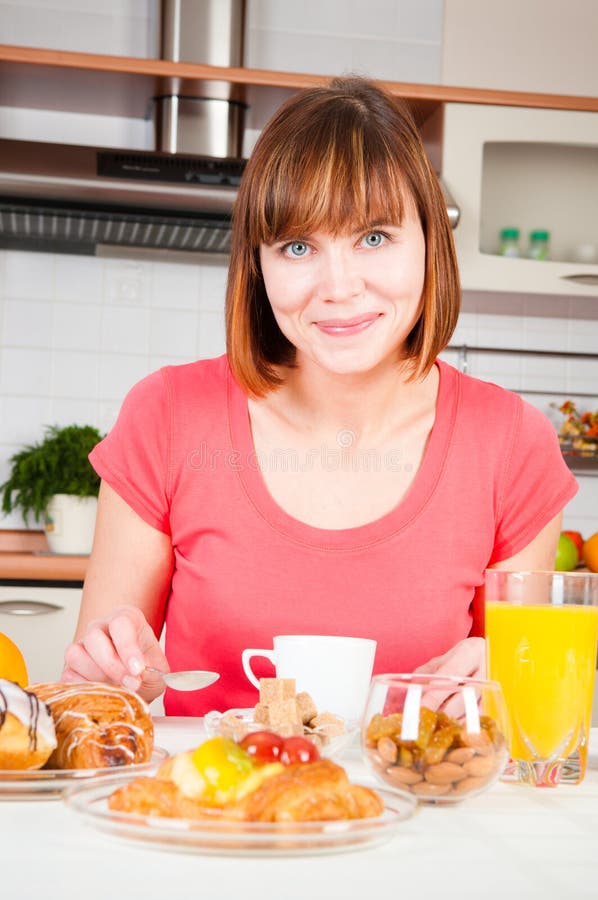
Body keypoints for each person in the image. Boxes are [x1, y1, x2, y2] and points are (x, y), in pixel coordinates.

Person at [62, 77, 577, 715]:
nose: (338, 287)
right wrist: (112, 676)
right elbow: (90, 701)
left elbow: (527, 722)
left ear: (429, 242)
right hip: (211, 783)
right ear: (258, 264)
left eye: (374, 237)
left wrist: (509, 682)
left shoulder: (511, 445)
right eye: (299, 246)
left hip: (418, 784)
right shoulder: (167, 416)